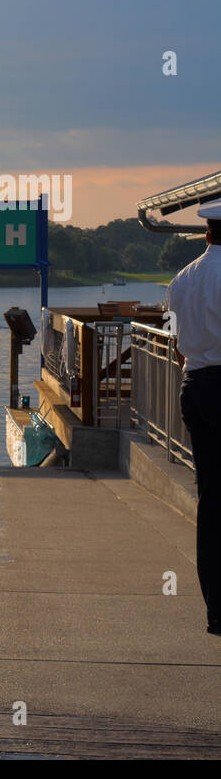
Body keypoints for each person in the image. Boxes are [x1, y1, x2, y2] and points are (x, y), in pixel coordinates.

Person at [166, 200, 221, 635]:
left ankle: (216, 610)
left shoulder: (183, 278)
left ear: (207, 233)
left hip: (198, 388)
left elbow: (179, 344)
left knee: (212, 503)